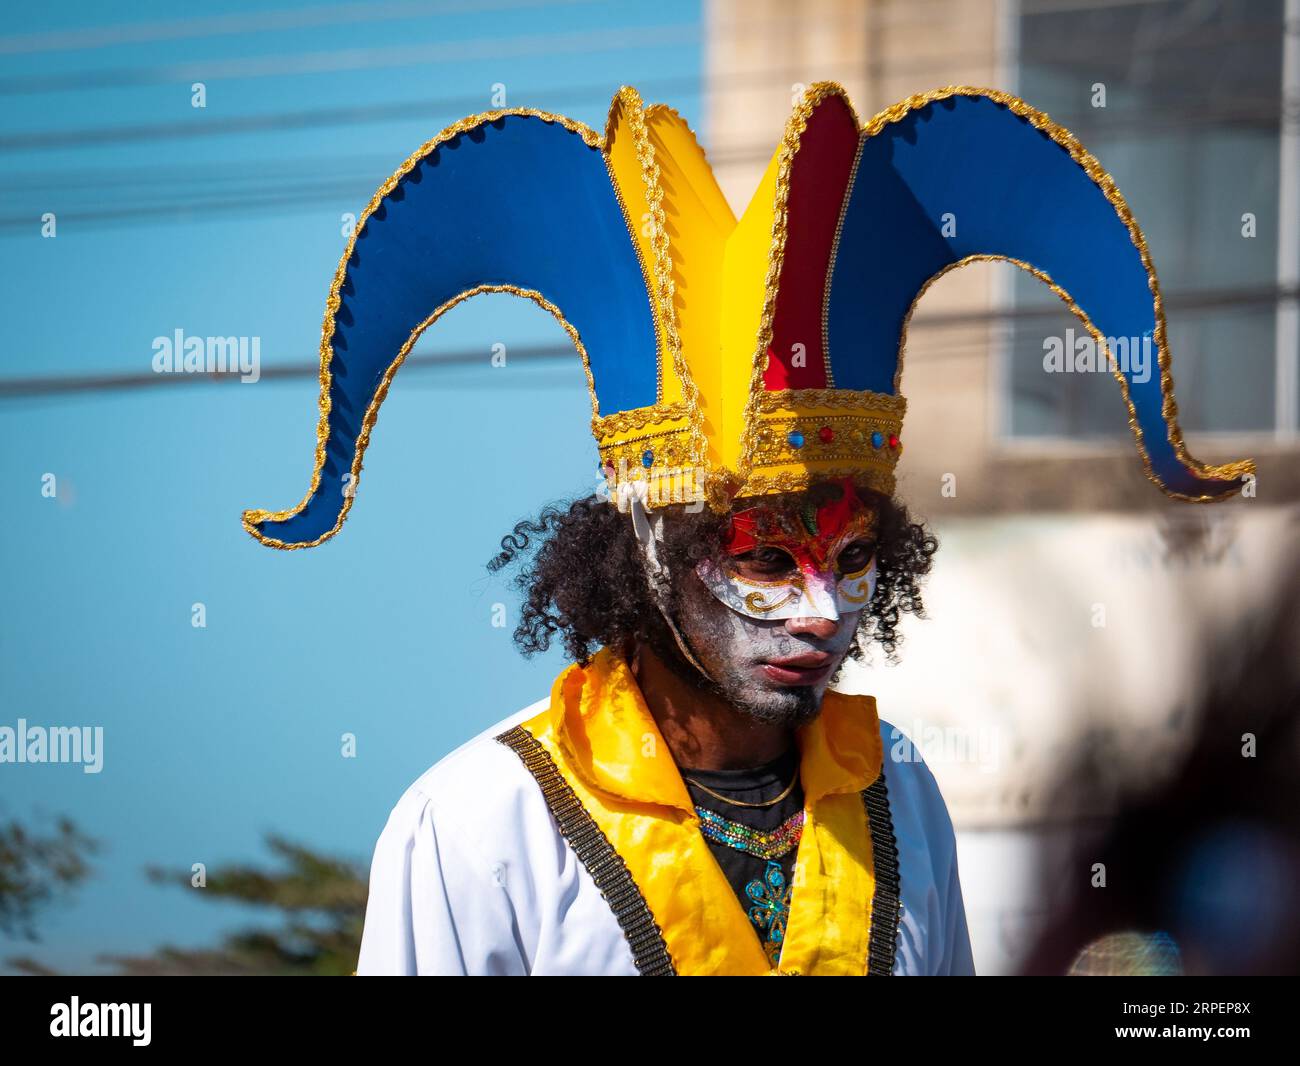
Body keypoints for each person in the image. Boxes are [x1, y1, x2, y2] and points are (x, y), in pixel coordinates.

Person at [243, 82, 1252, 975]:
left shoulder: (902, 795)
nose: (821, 612)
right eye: (767, 560)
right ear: (646, 559)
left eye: (853, 561)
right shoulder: (475, 824)